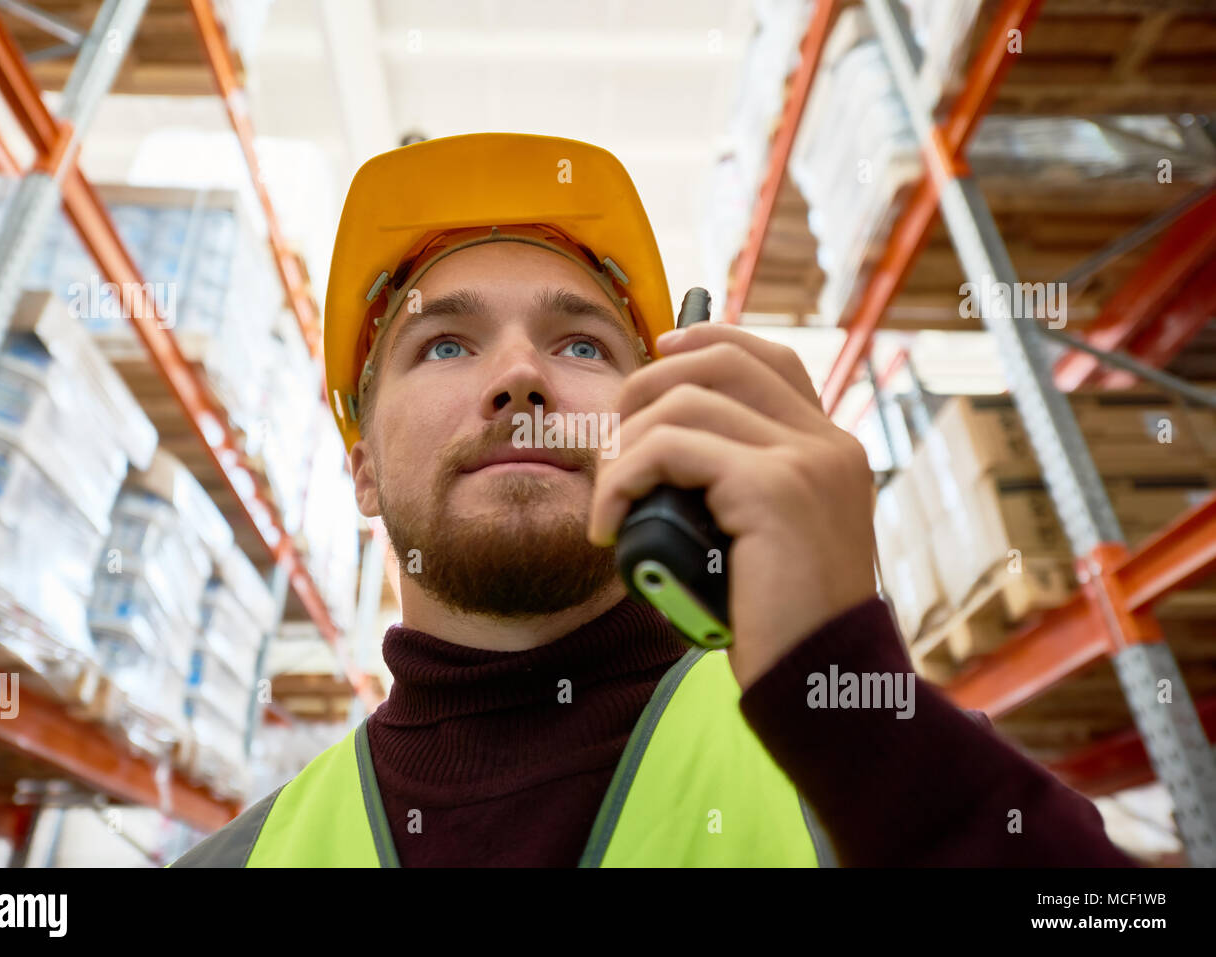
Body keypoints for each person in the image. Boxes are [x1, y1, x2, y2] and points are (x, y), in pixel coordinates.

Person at [173, 133, 1135, 867]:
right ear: (363, 471)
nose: (520, 377)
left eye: (580, 344)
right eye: (447, 344)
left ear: (654, 418)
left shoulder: (861, 765)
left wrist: (846, 676)